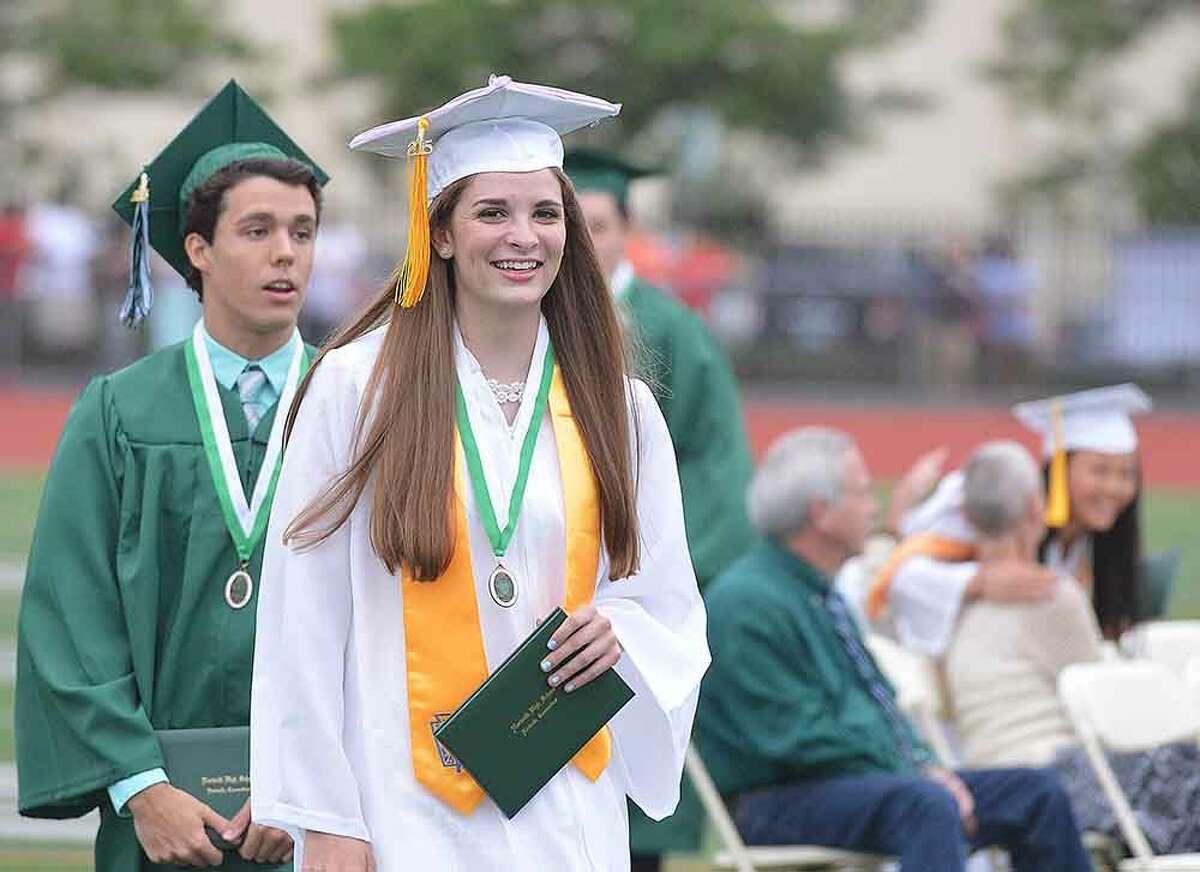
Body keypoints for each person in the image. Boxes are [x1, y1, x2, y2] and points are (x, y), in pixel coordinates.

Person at [249, 75, 710, 872]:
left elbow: (664, 600)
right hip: (402, 804)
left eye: (545, 212)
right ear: (445, 234)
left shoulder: (619, 408)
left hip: (563, 798)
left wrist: (621, 633)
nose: (522, 236)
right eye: (492, 212)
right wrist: (324, 817)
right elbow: (305, 617)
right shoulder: (360, 389)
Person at [15, 80, 329, 870]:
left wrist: (313, 781)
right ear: (197, 249)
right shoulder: (121, 412)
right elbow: (71, 613)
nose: (285, 252)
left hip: (319, 819)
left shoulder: (360, 408)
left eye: (302, 230)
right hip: (156, 827)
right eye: (257, 230)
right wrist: (139, 785)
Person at [696, 427, 1093, 871]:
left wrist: (924, 763)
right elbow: (796, 737)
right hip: (776, 801)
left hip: (858, 782)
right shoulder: (747, 603)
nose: (876, 506)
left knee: (1037, 793)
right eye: (863, 493)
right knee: (926, 804)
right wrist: (912, 771)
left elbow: (880, 702)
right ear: (821, 512)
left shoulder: (815, 591)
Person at [564, 146, 754, 871]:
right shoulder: (524, 318)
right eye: (567, 219)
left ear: (626, 230)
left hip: (626, 591)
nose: (583, 239)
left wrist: (645, 571)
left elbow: (715, 463)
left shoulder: (669, 330)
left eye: (600, 223)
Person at [863, 383, 1150, 654]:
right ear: (1060, 470)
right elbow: (902, 575)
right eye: (1100, 471)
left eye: (1126, 475)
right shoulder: (1003, 507)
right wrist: (978, 581)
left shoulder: (1096, 545)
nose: (1114, 488)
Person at [944, 441, 1103, 768]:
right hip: (1058, 771)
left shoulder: (946, 602)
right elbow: (1103, 699)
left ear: (965, 516)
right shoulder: (1052, 595)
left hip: (983, 777)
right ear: (1035, 508)